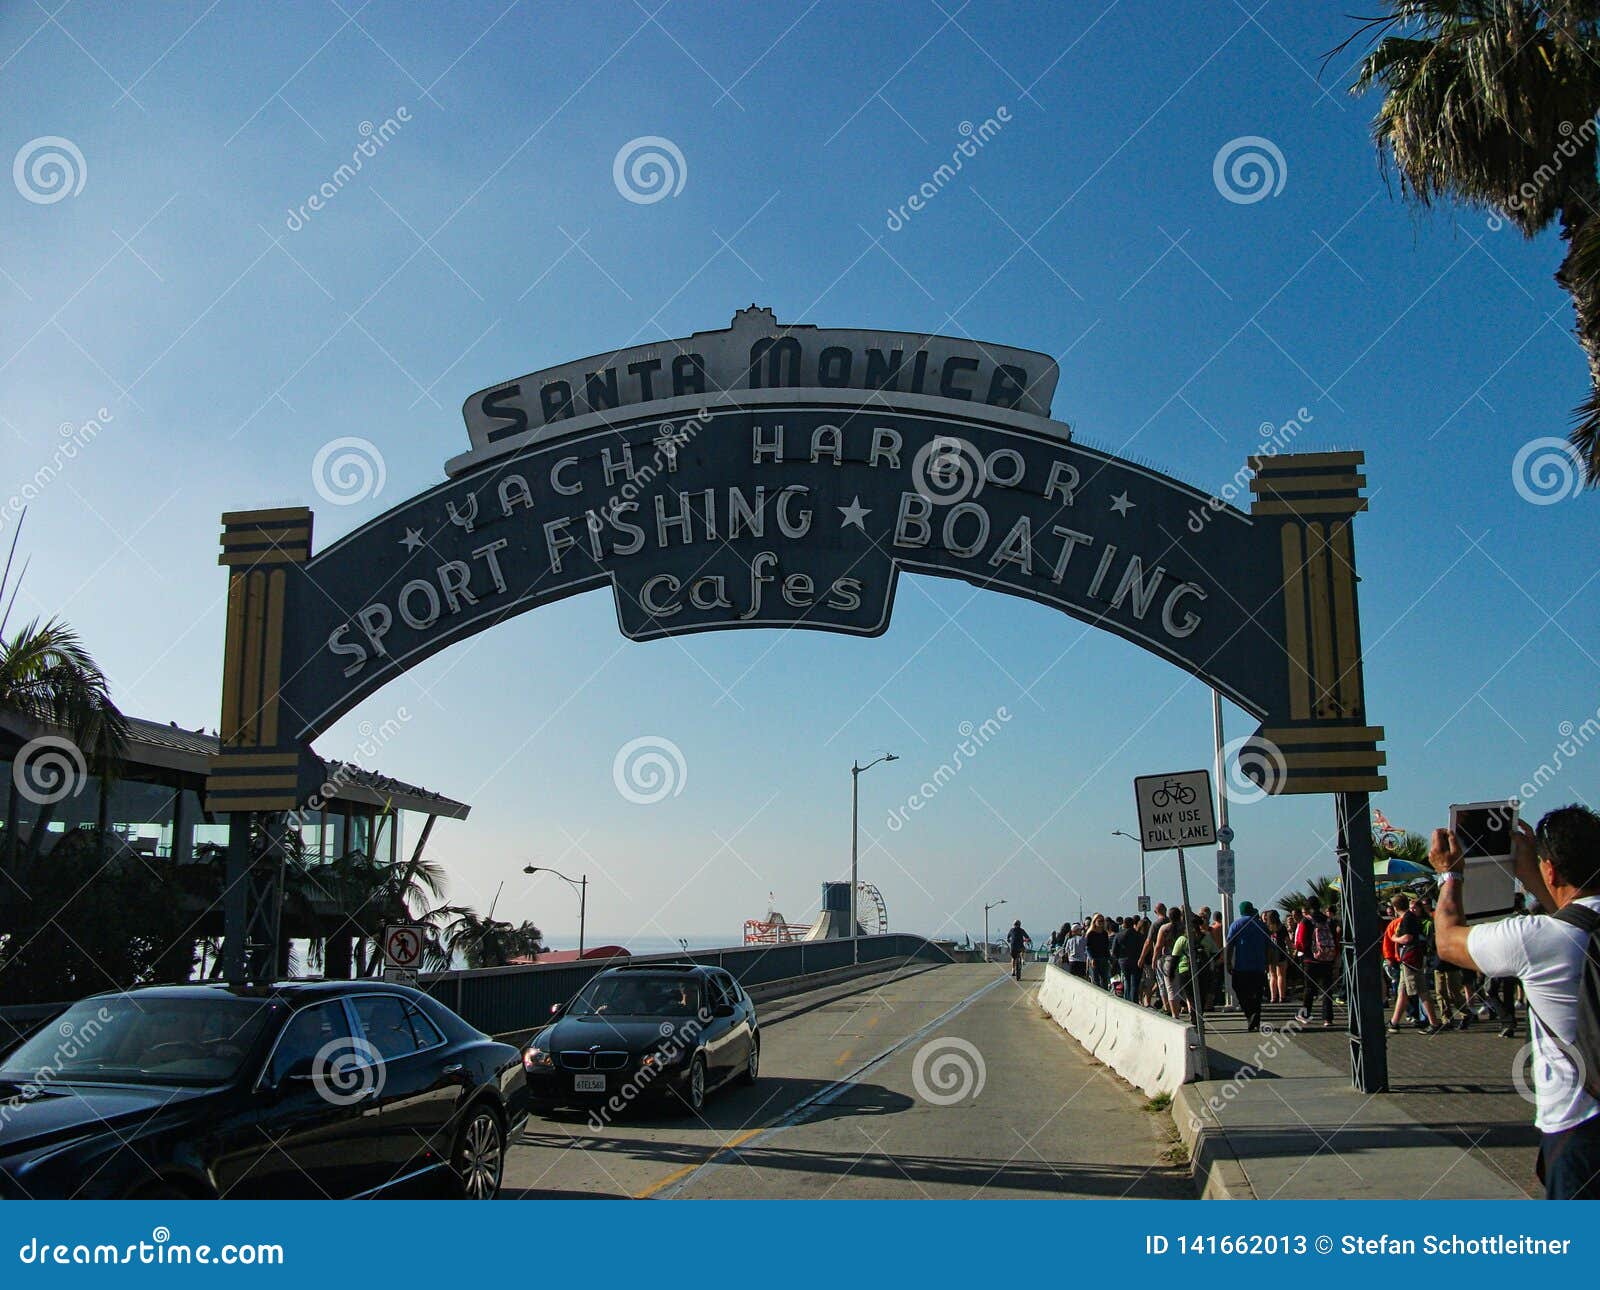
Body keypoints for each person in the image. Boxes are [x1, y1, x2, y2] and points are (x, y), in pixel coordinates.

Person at [1428, 807, 1600, 1199]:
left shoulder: (1534, 939)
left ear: (1551, 871)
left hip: (1579, 1128)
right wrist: (1532, 874)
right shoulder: (1558, 934)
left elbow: (1447, 940)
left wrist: (1449, 874)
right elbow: (1579, 918)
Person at [1388, 894, 1441, 1034]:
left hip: (1410, 959)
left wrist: (1395, 938)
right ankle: (1394, 1022)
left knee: (1420, 990)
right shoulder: (1411, 917)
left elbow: (1407, 938)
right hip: (1412, 958)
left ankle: (1434, 1023)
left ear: (1395, 907)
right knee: (1402, 991)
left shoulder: (1406, 919)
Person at [1226, 901, 1272, 1032]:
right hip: (1258, 966)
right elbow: (1268, 946)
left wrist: (1228, 961)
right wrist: (1267, 963)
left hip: (1242, 966)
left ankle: (1250, 1015)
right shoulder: (1262, 925)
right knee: (1257, 994)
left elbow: (1230, 945)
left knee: (1240, 990)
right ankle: (1254, 1017)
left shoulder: (1236, 925)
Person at [1295, 900, 1339, 1027]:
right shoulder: (1329, 921)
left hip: (1311, 959)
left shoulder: (1306, 921)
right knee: (1327, 989)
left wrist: (1302, 950)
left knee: (1309, 988)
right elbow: (1335, 939)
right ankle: (1328, 1018)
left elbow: (1301, 941)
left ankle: (1305, 1014)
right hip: (1327, 959)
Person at [1112, 915, 1143, 1002]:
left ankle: (1127, 1000)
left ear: (1124, 924)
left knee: (1127, 981)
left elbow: (1114, 951)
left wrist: (1118, 958)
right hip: (1135, 960)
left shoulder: (1119, 935)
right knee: (1134, 983)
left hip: (1123, 961)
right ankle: (1134, 1001)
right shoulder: (1138, 935)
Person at [1263, 909, 1289, 1003]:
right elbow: (1287, 941)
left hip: (1270, 953)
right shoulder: (1282, 928)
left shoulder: (1266, 928)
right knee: (1281, 975)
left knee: (1272, 975)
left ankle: (1273, 997)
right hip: (1281, 951)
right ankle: (1282, 996)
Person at [1085, 914, 1112, 989]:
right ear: (1094, 922)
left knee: (1105, 980)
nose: (1101, 923)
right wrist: (1091, 959)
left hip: (1104, 958)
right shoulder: (1090, 934)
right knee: (1095, 980)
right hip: (1095, 959)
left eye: (1103, 921)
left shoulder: (1104, 933)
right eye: (1099, 921)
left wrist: (1109, 958)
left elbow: (1106, 947)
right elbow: (1088, 948)